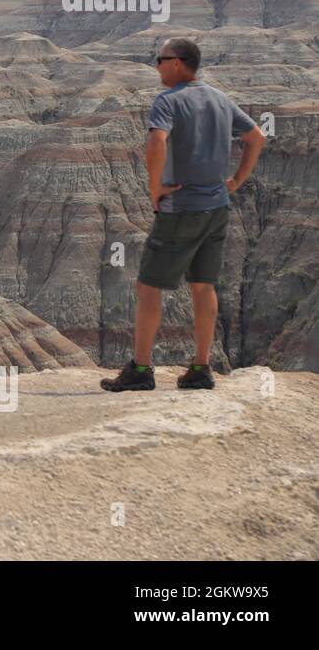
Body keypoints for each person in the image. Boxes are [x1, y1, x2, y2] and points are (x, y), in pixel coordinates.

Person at [101, 38, 266, 392]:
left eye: (160, 60)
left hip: (181, 209)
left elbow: (157, 141)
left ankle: (142, 370)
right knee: (203, 285)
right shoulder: (221, 99)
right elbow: (256, 136)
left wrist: (155, 186)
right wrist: (236, 181)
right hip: (217, 208)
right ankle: (201, 368)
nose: (156, 66)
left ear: (178, 63)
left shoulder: (169, 101)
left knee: (149, 286)